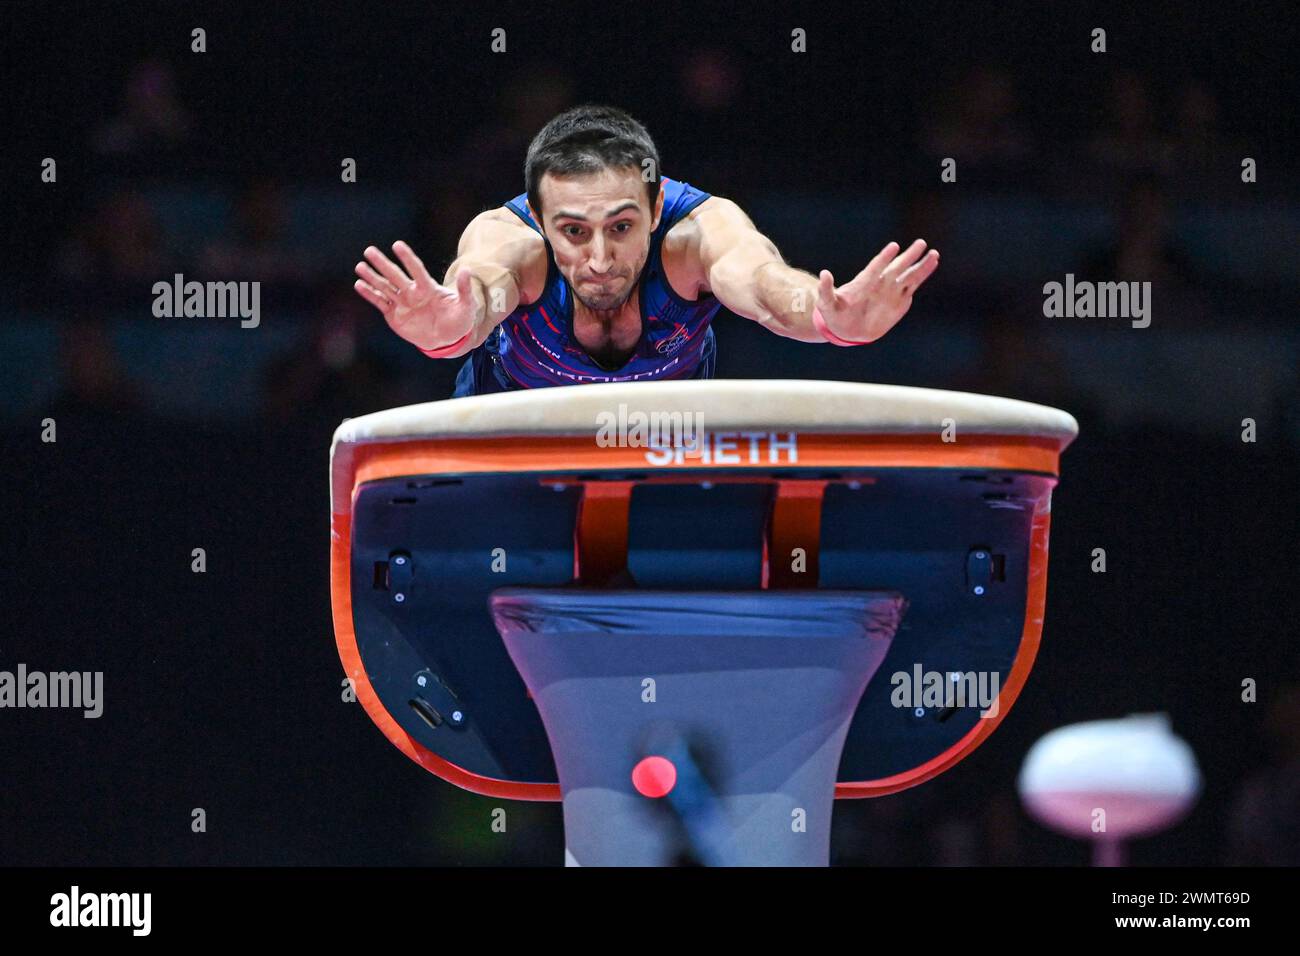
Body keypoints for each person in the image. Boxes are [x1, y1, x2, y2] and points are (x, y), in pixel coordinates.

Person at [352, 105, 940, 396]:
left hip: (661, 439)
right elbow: (480, 289)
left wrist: (824, 315)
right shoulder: (514, 242)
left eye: (623, 227)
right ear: (538, 218)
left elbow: (762, 284)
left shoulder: (696, 236)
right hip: (510, 423)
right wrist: (449, 325)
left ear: (657, 210)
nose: (602, 259)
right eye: (575, 232)